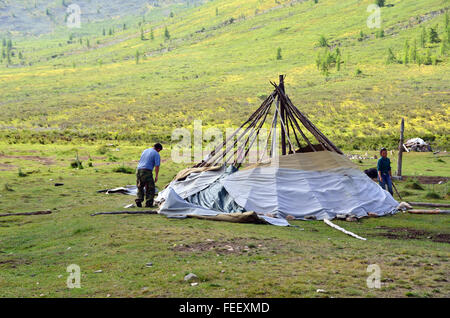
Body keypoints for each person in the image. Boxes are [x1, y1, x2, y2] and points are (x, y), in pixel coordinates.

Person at [135, 143, 163, 208]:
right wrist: (156, 176)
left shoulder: (145, 151)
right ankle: (149, 203)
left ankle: (139, 199)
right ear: (158, 149)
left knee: (140, 186)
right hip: (146, 171)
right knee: (151, 188)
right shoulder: (156, 154)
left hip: (139, 170)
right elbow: (157, 166)